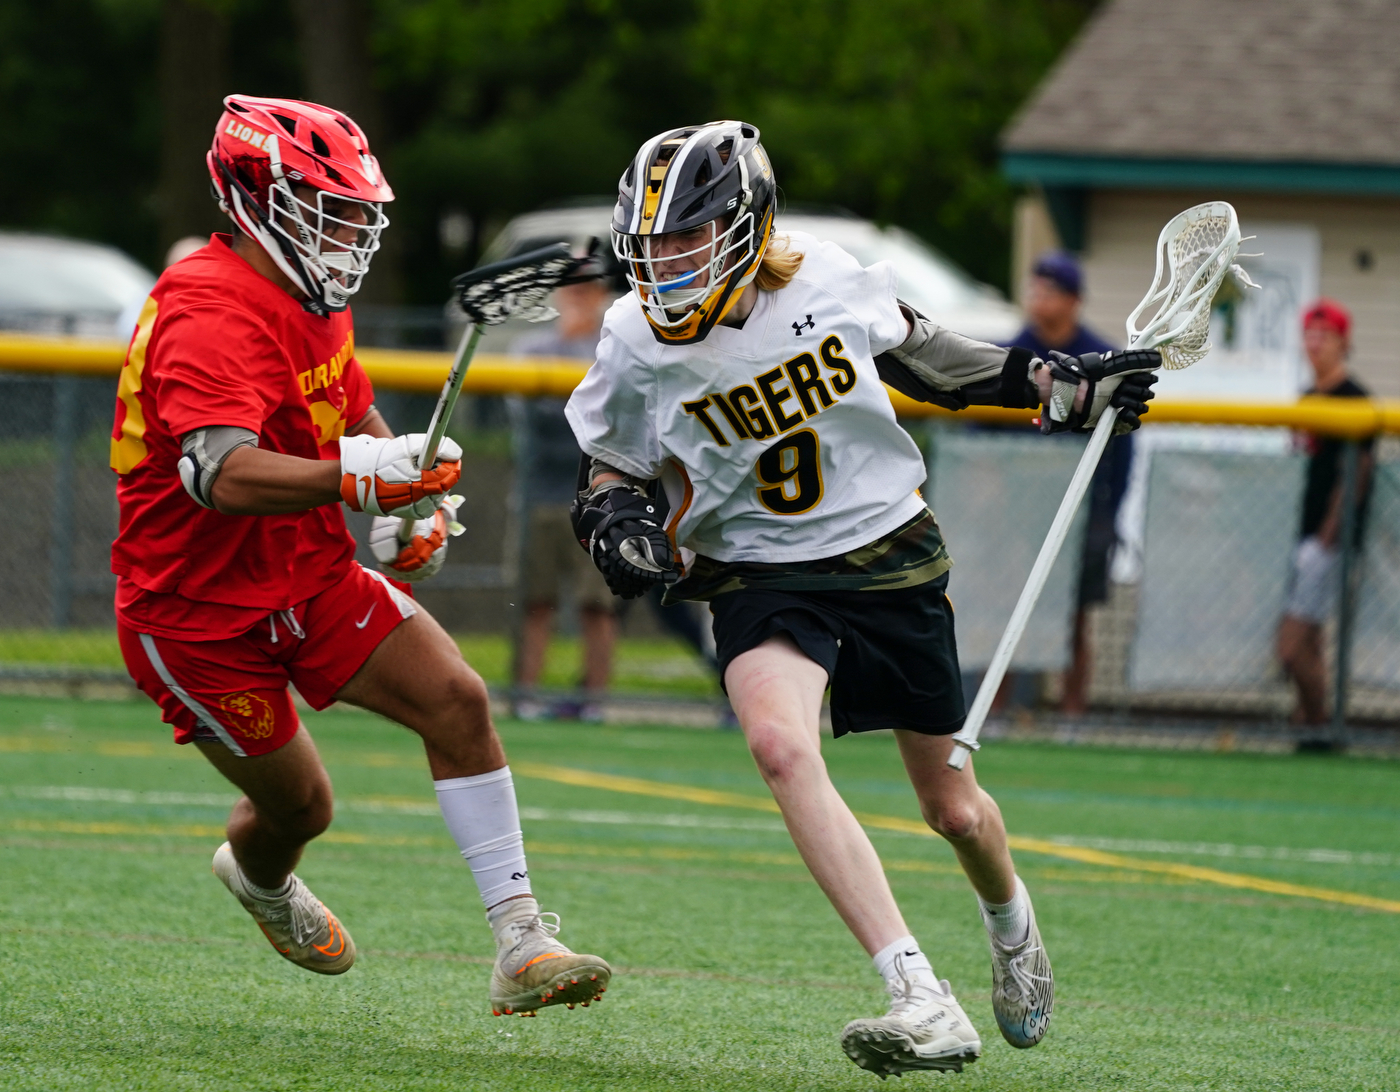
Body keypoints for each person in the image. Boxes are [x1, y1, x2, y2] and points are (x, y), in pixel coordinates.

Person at [565, 122, 1158, 1076]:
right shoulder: (635, 335)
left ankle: (1011, 927)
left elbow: (937, 361)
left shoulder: (831, 281)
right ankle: (919, 993)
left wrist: (1062, 389)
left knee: (954, 809)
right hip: (758, 573)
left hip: (885, 554)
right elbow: (609, 467)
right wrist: (616, 522)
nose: (667, 265)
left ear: (749, 227)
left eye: (689, 239)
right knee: (778, 744)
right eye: (654, 245)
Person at [108, 94, 609, 1017]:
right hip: (195, 613)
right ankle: (258, 879)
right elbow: (219, 473)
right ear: (258, 195)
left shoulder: (310, 295)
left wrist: (415, 492)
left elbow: (346, 404)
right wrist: (357, 475)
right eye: (327, 208)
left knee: (457, 699)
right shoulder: (206, 309)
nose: (345, 230)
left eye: (352, 211)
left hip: (307, 572)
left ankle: (521, 939)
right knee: (302, 810)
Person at [1006, 251, 1133, 715]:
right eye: (1035, 286)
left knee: (1075, 616)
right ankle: (997, 712)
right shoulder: (1012, 351)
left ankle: (1072, 713)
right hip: (1019, 513)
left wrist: (1110, 511)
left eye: (1051, 289)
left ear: (1073, 300)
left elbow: (1123, 444)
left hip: (1080, 508)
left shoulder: (1100, 356)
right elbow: (978, 435)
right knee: (1010, 609)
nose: (1039, 297)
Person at [510, 275, 620, 721]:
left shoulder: (613, 347)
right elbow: (535, 416)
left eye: (590, 289)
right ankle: (524, 696)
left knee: (597, 605)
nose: (581, 298)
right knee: (537, 601)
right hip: (540, 496)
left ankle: (596, 701)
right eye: (573, 288)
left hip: (596, 496)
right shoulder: (532, 348)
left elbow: (611, 420)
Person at [1277, 299, 1374, 733]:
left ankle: (1320, 722)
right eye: (1309, 335)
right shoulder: (1307, 396)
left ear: (1344, 343)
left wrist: (1327, 538)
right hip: (1299, 533)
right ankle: (1312, 723)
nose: (1315, 344)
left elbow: (1356, 476)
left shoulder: (1355, 399)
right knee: (1310, 642)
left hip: (1327, 541)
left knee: (1291, 647)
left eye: (1325, 336)